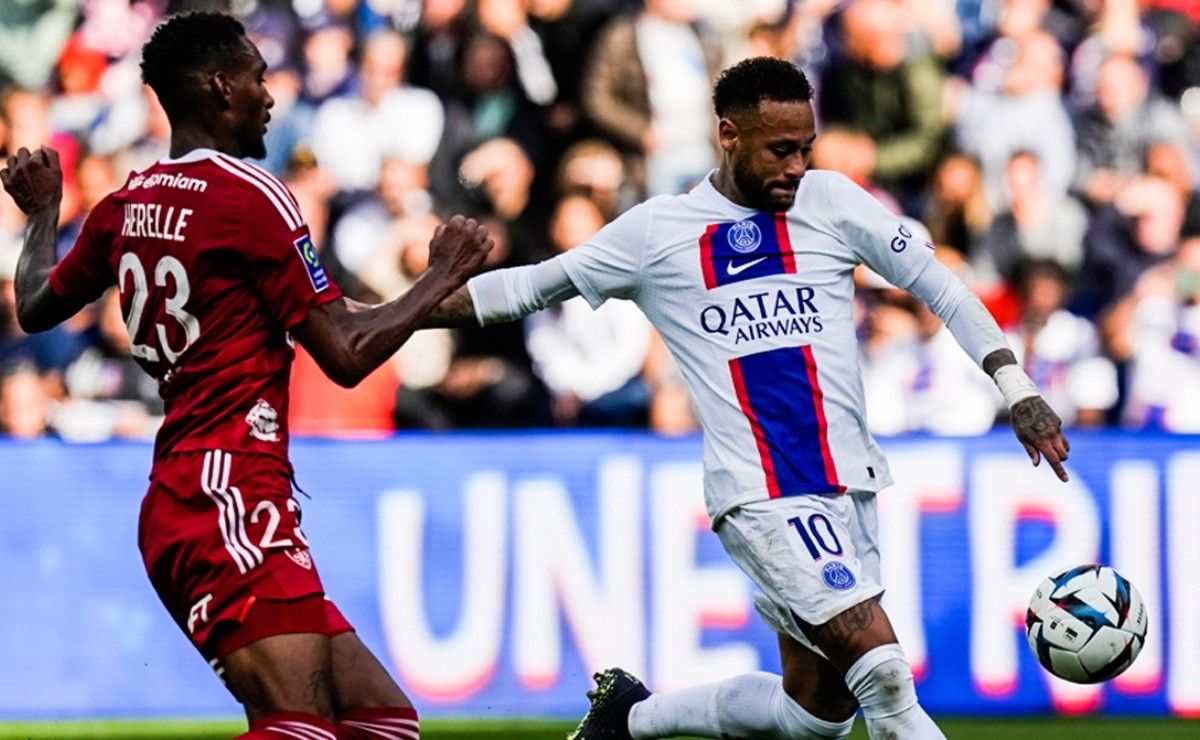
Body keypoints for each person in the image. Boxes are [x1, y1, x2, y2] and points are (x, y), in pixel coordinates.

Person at [424, 56, 1070, 739]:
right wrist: (385, 312)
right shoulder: (660, 233)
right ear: (729, 135)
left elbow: (942, 286)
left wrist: (1016, 386)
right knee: (884, 676)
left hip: (848, 483)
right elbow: (524, 288)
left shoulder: (833, 202)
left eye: (806, 149)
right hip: (760, 492)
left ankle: (631, 719)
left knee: (817, 717)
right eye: (780, 150)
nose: (796, 166)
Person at [0, 11, 490, 740]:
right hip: (224, 489)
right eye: (259, 77)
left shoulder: (127, 205)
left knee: (383, 722)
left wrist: (44, 214)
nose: (271, 95)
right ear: (219, 87)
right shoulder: (251, 196)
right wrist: (438, 276)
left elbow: (36, 305)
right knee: (298, 727)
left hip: (205, 491)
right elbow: (345, 354)